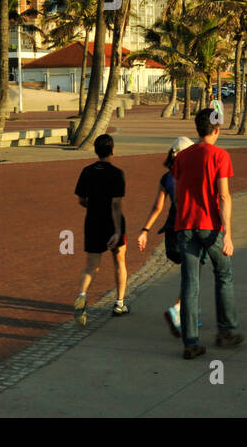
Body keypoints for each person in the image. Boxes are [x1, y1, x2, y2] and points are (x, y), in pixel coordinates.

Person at [170, 107, 243, 358]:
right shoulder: (220, 156)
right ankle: (227, 330)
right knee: (224, 273)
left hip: (185, 225)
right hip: (210, 226)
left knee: (190, 283)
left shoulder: (182, 157)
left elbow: (178, 195)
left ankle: (190, 342)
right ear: (217, 129)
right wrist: (229, 234)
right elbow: (224, 196)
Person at [137, 136, 198, 337]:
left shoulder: (166, 177)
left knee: (188, 273)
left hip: (171, 233)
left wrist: (145, 230)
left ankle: (188, 311)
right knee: (192, 274)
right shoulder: (189, 176)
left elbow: (157, 207)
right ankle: (180, 310)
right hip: (187, 229)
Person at [72, 134, 129, 326]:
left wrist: (93, 206)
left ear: (96, 150)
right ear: (112, 150)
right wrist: (118, 231)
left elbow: (81, 200)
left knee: (91, 265)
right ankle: (120, 303)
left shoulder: (87, 171)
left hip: (93, 221)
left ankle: (82, 294)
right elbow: (116, 204)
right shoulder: (117, 173)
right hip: (112, 223)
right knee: (119, 261)